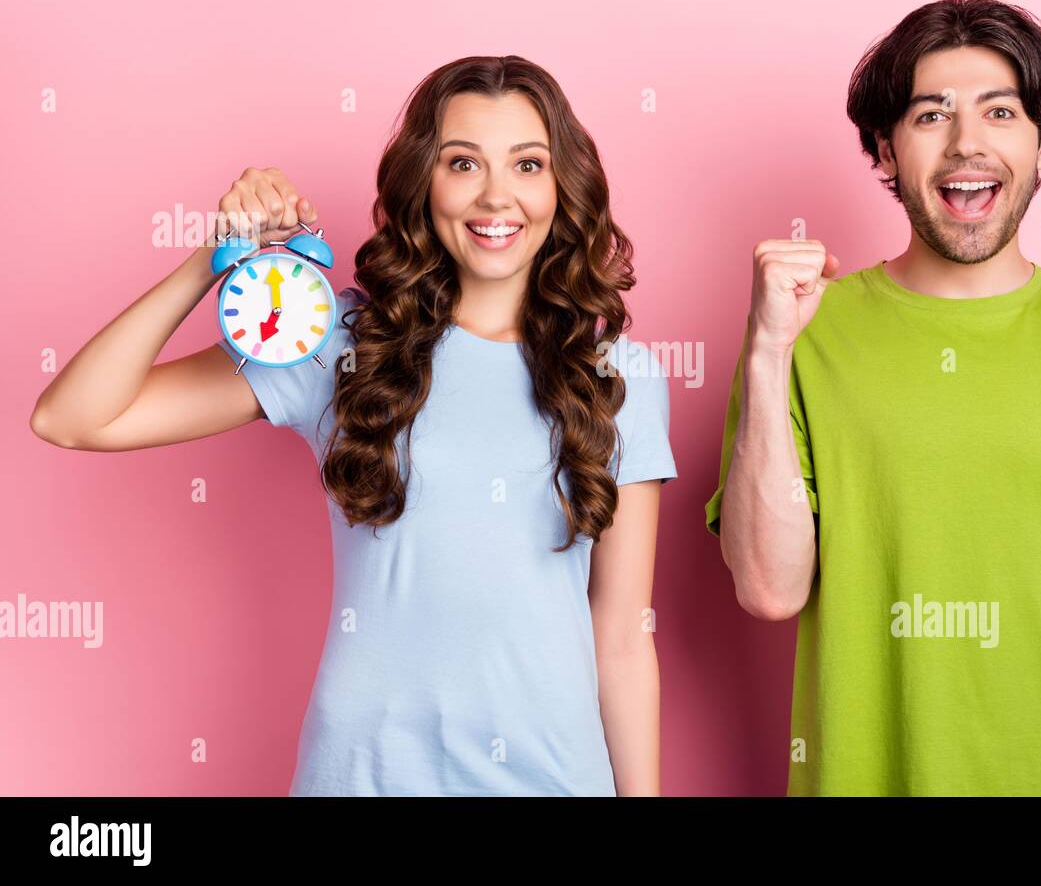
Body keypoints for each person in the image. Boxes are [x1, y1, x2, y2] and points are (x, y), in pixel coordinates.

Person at [31, 56, 676, 796]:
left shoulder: (619, 377)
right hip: (363, 777)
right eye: (462, 162)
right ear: (422, 183)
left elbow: (624, 639)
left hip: (553, 779)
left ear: (561, 187)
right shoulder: (340, 343)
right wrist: (216, 258)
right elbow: (74, 416)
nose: (497, 195)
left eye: (527, 164)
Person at [705, 0, 1041, 796]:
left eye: (1001, 111)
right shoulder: (802, 334)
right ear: (886, 152)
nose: (968, 143)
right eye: (932, 116)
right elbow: (768, 588)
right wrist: (765, 351)